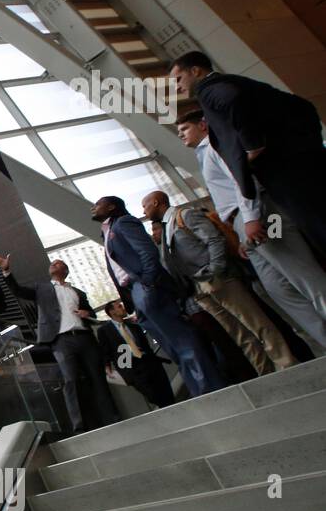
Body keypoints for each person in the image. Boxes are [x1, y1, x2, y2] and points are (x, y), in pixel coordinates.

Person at [175, 108, 326, 350]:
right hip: (244, 223)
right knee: (279, 290)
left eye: (184, 129)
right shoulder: (205, 154)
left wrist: (252, 218)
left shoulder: (217, 147)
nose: (181, 135)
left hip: (263, 217)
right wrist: (242, 235)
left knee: (304, 276)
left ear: (203, 125)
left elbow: (242, 181)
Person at [170, 51, 326, 257]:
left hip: (271, 193)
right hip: (290, 170)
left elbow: (237, 178)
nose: (177, 87)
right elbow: (300, 106)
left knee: (303, 246)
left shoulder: (210, 91)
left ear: (196, 71)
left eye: (179, 79)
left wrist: (252, 146)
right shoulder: (234, 84)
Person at [142, 190, 296, 376]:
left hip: (217, 280)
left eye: (145, 206)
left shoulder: (185, 215)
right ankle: (264, 371)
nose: (143, 211)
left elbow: (214, 239)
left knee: (256, 323)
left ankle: (287, 364)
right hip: (198, 288)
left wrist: (214, 270)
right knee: (238, 333)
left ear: (157, 202)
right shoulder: (166, 227)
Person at [92, 195, 228, 397]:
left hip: (146, 287)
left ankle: (212, 387)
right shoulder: (108, 232)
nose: (93, 208)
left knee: (181, 339)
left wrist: (148, 282)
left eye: (98, 204)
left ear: (111, 207)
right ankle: (199, 390)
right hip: (136, 293)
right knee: (171, 346)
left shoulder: (124, 222)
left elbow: (147, 252)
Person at [0, 252, 119, 434]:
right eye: (52, 263)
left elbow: (91, 314)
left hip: (85, 338)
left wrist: (87, 314)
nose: (53, 264)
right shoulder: (42, 289)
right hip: (62, 340)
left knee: (98, 378)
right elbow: (18, 291)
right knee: (71, 380)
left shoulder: (77, 292)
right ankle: (79, 426)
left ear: (65, 271)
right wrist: (6, 271)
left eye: (58, 263)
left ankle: (112, 417)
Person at [97, 300, 175, 409]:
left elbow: (146, 345)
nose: (123, 308)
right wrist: (107, 366)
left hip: (147, 361)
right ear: (112, 312)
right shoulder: (104, 330)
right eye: (119, 306)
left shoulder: (134, 326)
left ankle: (172, 409)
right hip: (129, 365)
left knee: (165, 391)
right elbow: (105, 350)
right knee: (152, 394)